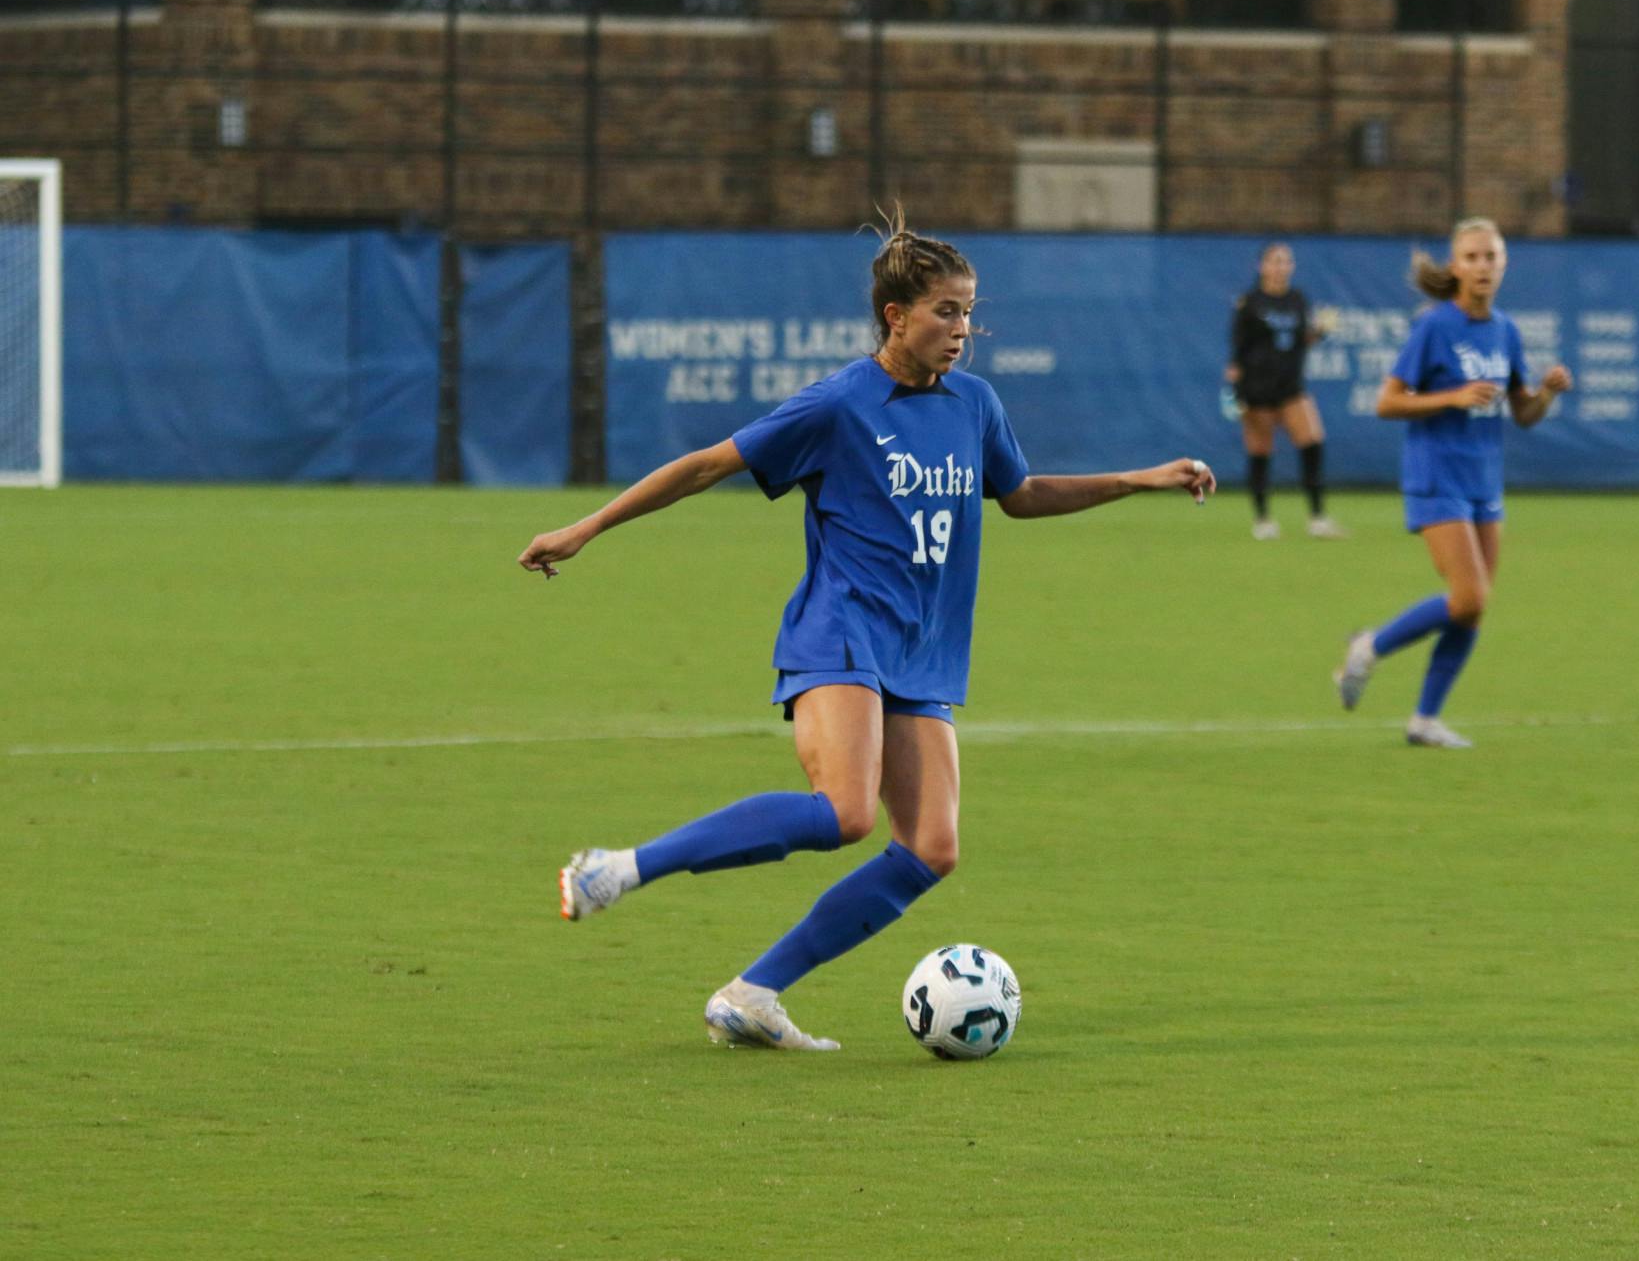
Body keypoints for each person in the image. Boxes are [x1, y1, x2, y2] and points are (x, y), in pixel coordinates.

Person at [517, 210, 1216, 1051]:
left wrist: (1139, 479)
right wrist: (587, 527)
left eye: (968, 312)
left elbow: (1021, 494)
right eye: (946, 311)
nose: (962, 329)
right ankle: (618, 869)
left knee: (932, 848)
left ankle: (753, 992)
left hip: (922, 648)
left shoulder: (974, 404)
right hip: (842, 630)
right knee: (845, 814)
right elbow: (707, 465)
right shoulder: (841, 403)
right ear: (896, 316)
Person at [1334, 218, 1571, 748]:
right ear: (1455, 267)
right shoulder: (1435, 326)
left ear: (1504, 264)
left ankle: (1424, 720)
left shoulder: (1506, 331)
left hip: (1484, 480)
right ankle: (1368, 648)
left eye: (1491, 256)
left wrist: (1547, 393)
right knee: (1467, 598)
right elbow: (1387, 402)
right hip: (1436, 474)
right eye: (1471, 257)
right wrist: (1452, 397)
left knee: (1475, 605)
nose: (1482, 266)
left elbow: (1524, 414)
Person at [1225, 241, 1346, 541]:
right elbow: (1237, 354)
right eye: (1274, 261)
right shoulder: (1250, 303)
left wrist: (1320, 332)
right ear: (1262, 266)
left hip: (1291, 386)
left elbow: (1300, 340)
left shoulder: (1297, 299)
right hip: (1257, 388)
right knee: (1260, 452)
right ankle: (1263, 519)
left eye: (1285, 261)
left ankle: (1317, 518)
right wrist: (1237, 393)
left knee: (1312, 443)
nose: (1280, 267)